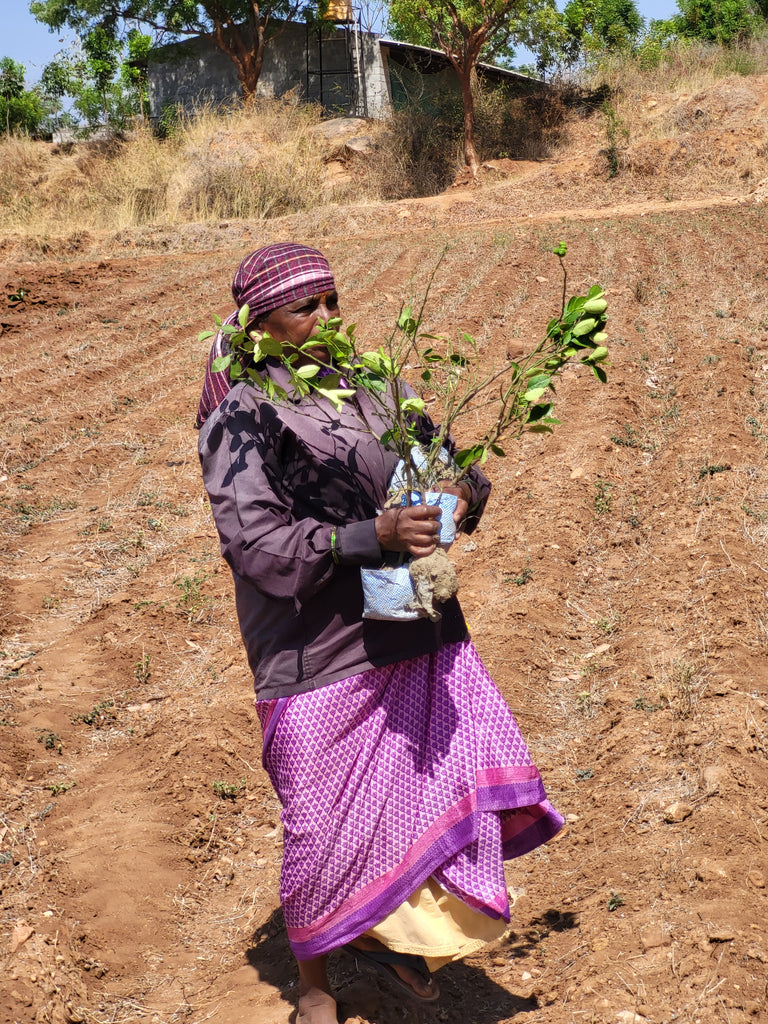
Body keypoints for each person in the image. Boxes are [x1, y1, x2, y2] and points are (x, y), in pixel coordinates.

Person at [197, 243, 564, 1024]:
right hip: (315, 645)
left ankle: (393, 936)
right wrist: (373, 533)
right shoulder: (244, 415)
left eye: (333, 300)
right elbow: (256, 544)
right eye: (307, 308)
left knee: (422, 790)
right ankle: (315, 988)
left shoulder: (374, 387)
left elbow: (448, 464)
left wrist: (459, 493)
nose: (328, 318)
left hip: (408, 628)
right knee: (321, 828)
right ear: (261, 323)